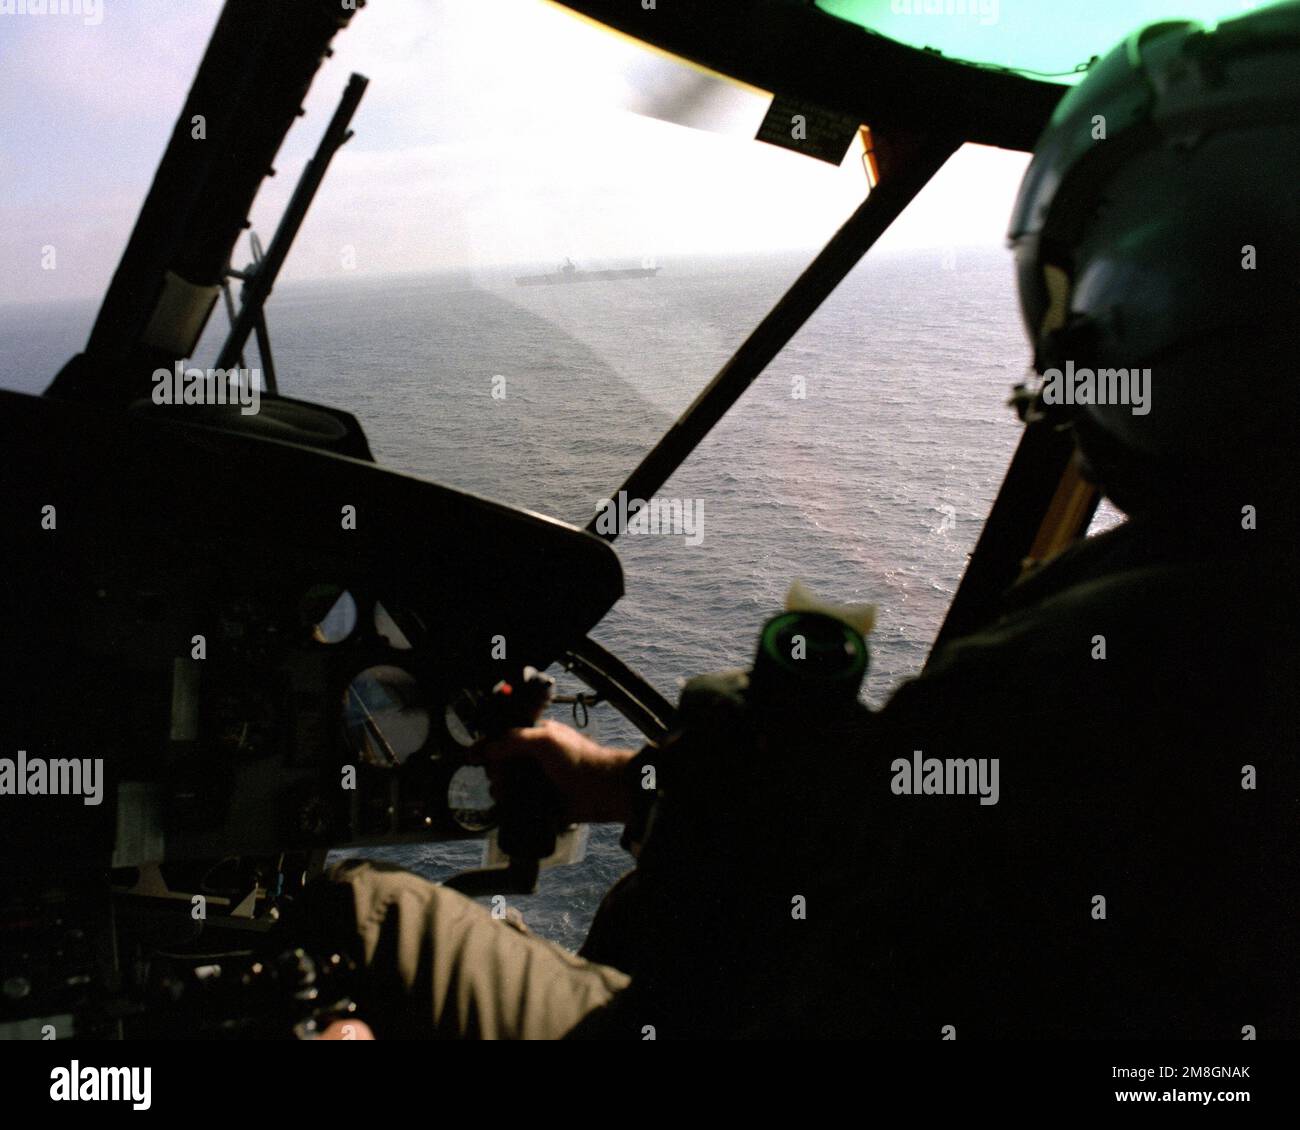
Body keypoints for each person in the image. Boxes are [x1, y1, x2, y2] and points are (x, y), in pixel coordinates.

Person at [311, 4, 1300, 1039]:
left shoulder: (1079, 673)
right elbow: (870, 822)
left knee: (365, 913)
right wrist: (613, 780)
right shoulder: (1178, 656)